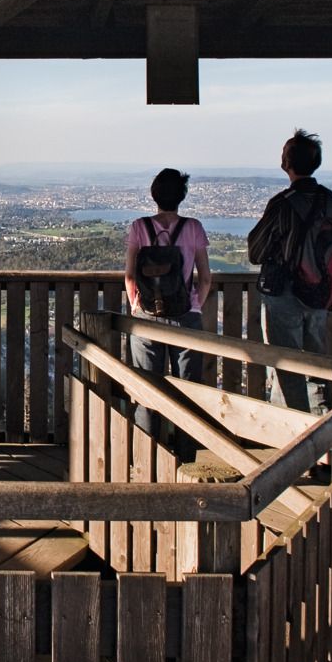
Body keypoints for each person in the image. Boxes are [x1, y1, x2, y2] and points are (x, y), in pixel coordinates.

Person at [249, 130, 332, 413]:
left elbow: (256, 251)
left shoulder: (283, 204)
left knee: (285, 363)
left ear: (286, 163)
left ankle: (290, 426)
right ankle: (321, 423)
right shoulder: (331, 202)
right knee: (317, 364)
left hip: (284, 293)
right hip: (320, 293)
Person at [123, 168, 215, 451]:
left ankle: (147, 457)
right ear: (181, 196)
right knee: (187, 392)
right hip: (185, 316)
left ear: (154, 195)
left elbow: (130, 276)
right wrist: (194, 304)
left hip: (146, 316)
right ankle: (186, 458)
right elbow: (205, 277)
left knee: (146, 390)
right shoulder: (193, 227)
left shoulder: (139, 227)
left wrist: (137, 305)